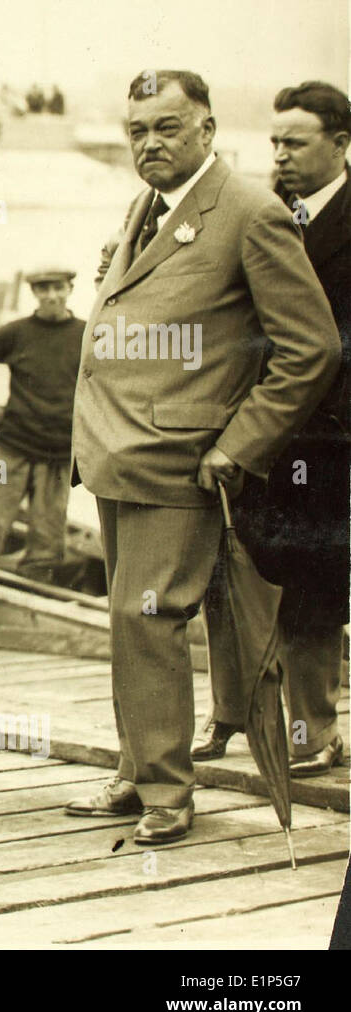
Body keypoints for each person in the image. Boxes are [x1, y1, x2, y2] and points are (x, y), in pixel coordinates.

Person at [66, 70, 340, 845]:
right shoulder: (145, 208)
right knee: (131, 621)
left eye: (167, 128)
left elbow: (311, 347)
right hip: (119, 454)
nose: (149, 143)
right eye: (136, 131)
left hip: (184, 461)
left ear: (209, 130)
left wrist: (240, 445)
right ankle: (136, 766)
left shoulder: (250, 212)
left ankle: (166, 792)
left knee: (147, 616)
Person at [194, 81, 351, 776]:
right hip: (253, 427)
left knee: (314, 582)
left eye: (296, 142)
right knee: (233, 572)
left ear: (340, 145)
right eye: (274, 142)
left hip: (329, 437)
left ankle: (312, 726)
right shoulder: (260, 212)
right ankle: (231, 711)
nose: (279, 155)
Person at [0, 267, 84, 584]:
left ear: (69, 289)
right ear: (34, 293)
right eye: (43, 289)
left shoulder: (86, 336)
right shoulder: (17, 332)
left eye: (57, 288)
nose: (51, 296)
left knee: (46, 546)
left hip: (58, 457)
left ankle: (31, 616)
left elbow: (108, 386)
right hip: (13, 450)